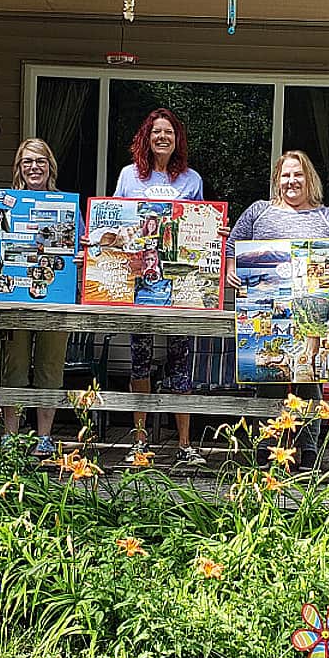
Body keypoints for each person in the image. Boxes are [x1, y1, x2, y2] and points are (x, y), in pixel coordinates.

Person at [225, 150, 329, 467]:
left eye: (297, 174)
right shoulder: (259, 211)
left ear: (308, 178)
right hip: (266, 311)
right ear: (278, 180)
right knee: (268, 378)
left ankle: (309, 451)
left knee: (309, 380)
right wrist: (232, 266)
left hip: (313, 311)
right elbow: (233, 243)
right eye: (286, 175)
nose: (291, 181)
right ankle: (266, 448)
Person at [108, 108, 207, 467]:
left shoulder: (191, 180)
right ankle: (140, 442)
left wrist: (216, 236)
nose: (162, 137)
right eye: (156, 132)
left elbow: (201, 228)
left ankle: (184, 444)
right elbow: (115, 220)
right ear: (146, 138)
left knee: (181, 361)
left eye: (168, 132)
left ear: (177, 138)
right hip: (139, 281)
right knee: (140, 361)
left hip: (180, 285)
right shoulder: (129, 176)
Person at [0, 138, 74, 457]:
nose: (34, 167)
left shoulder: (65, 206)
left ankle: (44, 437)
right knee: (13, 367)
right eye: (27, 161)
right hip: (14, 302)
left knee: (50, 369)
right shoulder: (3, 204)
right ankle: (11, 436)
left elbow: (79, 250)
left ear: (50, 166)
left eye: (40, 161)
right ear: (19, 167)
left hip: (55, 302)